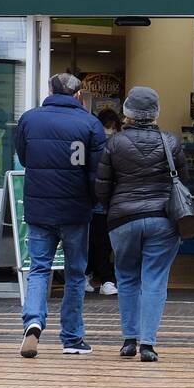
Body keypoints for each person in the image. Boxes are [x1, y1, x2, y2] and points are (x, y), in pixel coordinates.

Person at [14, 73, 107, 358]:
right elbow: (97, 172)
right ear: (78, 95)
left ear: (50, 90)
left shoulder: (30, 119)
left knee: (40, 268)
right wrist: (96, 203)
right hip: (76, 210)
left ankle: (32, 321)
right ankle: (72, 338)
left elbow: (24, 158)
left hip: (39, 209)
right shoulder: (91, 124)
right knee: (76, 274)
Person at [94, 87, 187, 362]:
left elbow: (102, 187)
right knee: (155, 280)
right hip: (163, 220)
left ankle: (128, 340)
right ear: (156, 112)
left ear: (127, 113)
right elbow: (182, 182)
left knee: (126, 278)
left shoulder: (114, 143)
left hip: (122, 220)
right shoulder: (170, 142)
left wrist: (115, 209)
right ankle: (148, 344)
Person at [86, 107, 121, 297]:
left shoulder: (92, 143)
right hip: (110, 202)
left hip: (92, 201)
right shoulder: (116, 144)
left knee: (93, 242)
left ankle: (87, 275)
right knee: (105, 244)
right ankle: (107, 279)